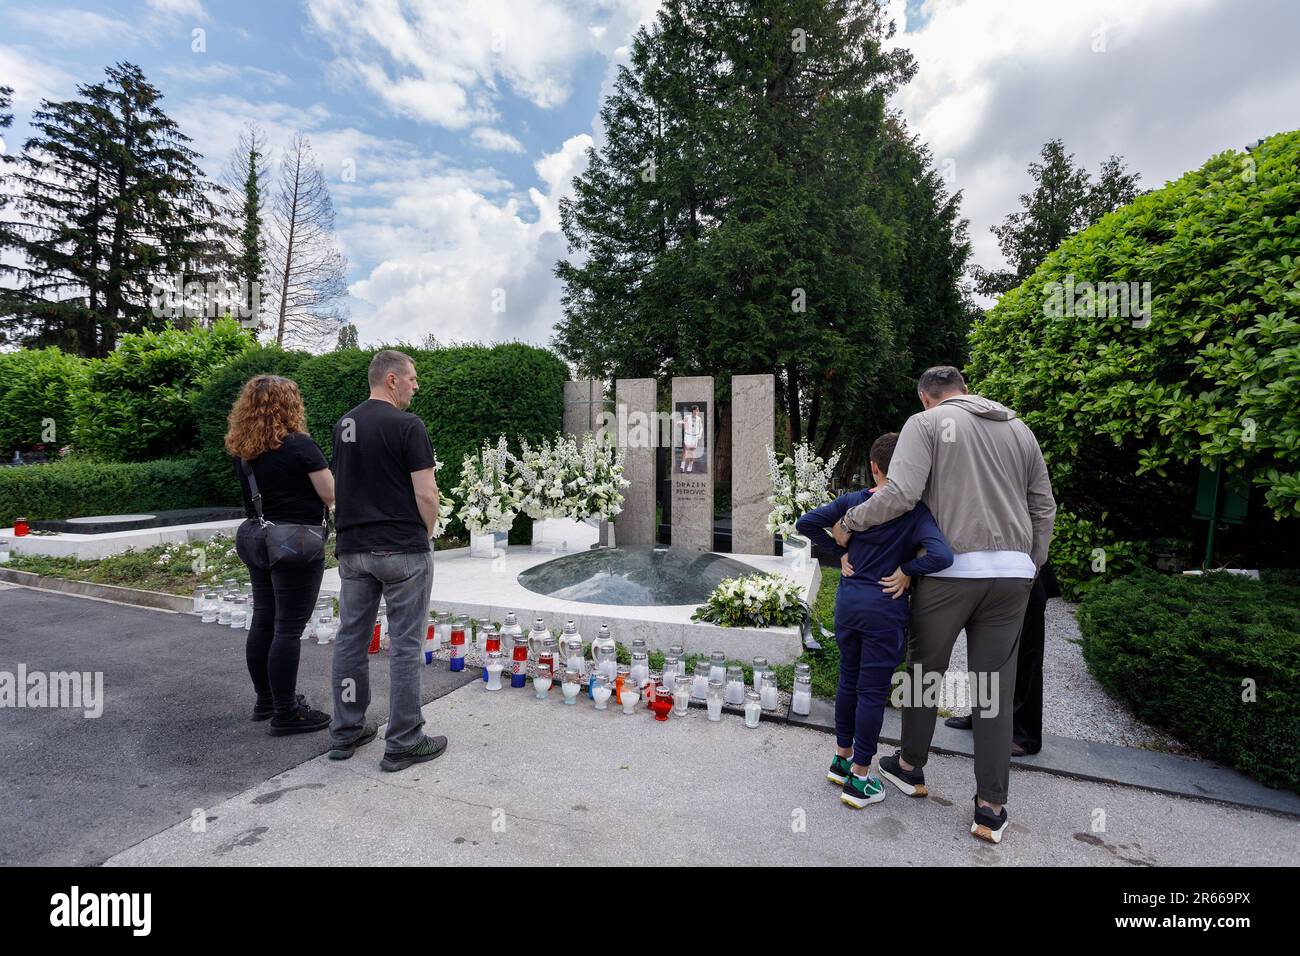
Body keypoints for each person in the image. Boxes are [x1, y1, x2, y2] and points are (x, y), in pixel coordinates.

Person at [831, 365, 1055, 844]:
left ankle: (910, 766)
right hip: (1013, 574)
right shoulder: (1019, 427)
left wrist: (851, 520)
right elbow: (1043, 504)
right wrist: (1031, 562)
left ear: (925, 397)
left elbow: (901, 493)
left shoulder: (926, 424)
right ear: (965, 392)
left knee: (925, 672)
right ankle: (990, 809)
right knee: (993, 690)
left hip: (950, 571)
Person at [796, 432, 953, 809]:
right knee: (871, 693)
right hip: (884, 610)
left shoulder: (853, 502)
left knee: (848, 679)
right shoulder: (914, 513)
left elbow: (805, 523)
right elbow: (942, 555)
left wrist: (838, 552)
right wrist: (907, 569)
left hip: (848, 606)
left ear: (873, 468)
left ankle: (842, 759)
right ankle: (861, 780)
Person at [327, 350, 445, 772]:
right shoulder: (409, 426)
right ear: (392, 380)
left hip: (354, 549)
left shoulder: (345, 425)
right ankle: (404, 741)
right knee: (406, 644)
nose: (416, 385)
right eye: (412, 378)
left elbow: (343, 486)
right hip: (401, 549)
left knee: (351, 639)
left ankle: (346, 731)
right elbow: (427, 494)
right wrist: (425, 533)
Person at [227, 375, 335, 735]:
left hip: (260, 540)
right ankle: (287, 712)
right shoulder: (301, 446)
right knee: (288, 628)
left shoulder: (246, 450)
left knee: (264, 619)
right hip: (296, 544)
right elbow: (330, 493)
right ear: (289, 406)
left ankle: (266, 700)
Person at [945, 562, 1061, 756]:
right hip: (993, 574)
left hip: (1026, 575)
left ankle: (1025, 735)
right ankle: (983, 717)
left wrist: (1034, 566)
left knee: (1026, 653)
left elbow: (1042, 532)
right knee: (988, 652)